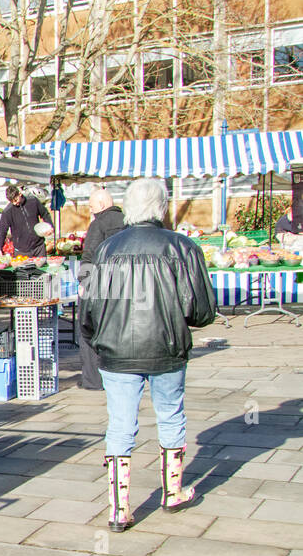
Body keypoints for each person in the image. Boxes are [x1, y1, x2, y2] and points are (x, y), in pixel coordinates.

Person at [80, 178, 216, 532]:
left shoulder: (108, 250)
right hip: (166, 347)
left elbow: (89, 308)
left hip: (117, 351)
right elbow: (200, 311)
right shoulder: (182, 247)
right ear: (162, 206)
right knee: (170, 415)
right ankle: (172, 493)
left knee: (120, 424)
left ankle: (119, 509)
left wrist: (96, 339)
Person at [75, 187, 127, 391]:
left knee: (88, 330)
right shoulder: (127, 221)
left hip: (100, 286)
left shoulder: (99, 224)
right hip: (125, 285)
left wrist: (83, 283)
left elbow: (89, 255)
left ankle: (93, 380)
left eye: (90, 205)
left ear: (102, 204)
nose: (89, 210)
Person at [0, 184, 52, 257]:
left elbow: (45, 214)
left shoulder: (33, 201)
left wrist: (50, 226)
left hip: (39, 247)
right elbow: (2, 230)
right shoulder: (7, 212)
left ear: (20, 194)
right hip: (21, 251)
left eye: (15, 200)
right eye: (11, 201)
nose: (14, 203)